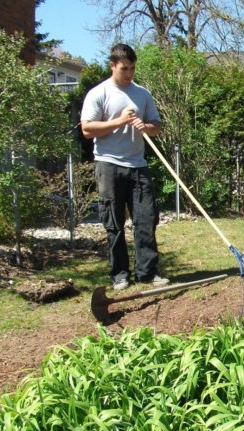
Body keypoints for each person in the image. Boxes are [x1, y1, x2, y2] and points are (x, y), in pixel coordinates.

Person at [81, 43, 169, 291]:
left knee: (146, 219)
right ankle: (120, 274)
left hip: (138, 164)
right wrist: (120, 121)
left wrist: (146, 127)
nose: (129, 73)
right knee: (114, 222)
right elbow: (87, 129)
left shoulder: (142, 94)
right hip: (108, 165)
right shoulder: (99, 93)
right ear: (113, 65)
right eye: (124, 68)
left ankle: (148, 273)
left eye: (132, 68)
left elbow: (157, 126)